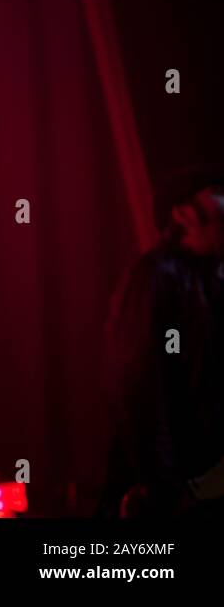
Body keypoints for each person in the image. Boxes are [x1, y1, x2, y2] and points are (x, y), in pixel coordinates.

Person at [101, 165, 224, 517]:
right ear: (184, 214)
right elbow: (138, 390)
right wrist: (167, 490)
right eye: (216, 190)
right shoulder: (157, 276)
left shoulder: (213, 283)